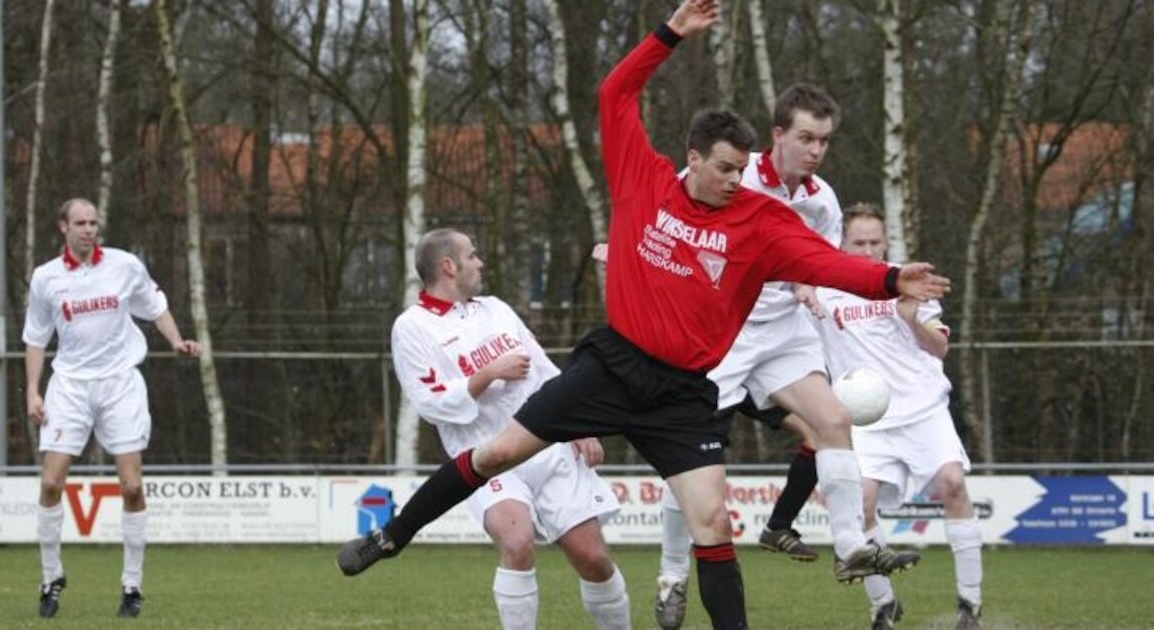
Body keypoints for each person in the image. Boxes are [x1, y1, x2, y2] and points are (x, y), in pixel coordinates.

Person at [336, 3, 950, 628]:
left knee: (713, 523)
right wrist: (669, 34)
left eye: (742, 170)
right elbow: (615, 93)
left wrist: (889, 278)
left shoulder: (761, 222)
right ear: (692, 158)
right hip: (612, 367)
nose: (735, 181)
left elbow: (825, 263)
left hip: (682, 394)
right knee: (496, 455)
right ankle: (391, 535)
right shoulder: (643, 177)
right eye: (723, 168)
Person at [652, 83, 916, 630]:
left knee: (833, 421)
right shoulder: (734, 173)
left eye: (824, 140)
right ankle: (671, 575)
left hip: (783, 331)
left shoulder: (822, 200)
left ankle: (851, 546)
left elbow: (817, 260)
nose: (816, 150)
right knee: (691, 461)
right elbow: (668, 209)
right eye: (805, 138)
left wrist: (805, 282)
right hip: (722, 329)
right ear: (777, 135)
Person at [390, 227, 630, 630]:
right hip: (486, 457)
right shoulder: (412, 327)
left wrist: (580, 425)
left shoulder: (497, 309)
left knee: (592, 557)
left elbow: (546, 372)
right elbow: (429, 403)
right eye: (472, 255)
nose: (480, 263)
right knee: (517, 544)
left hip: (546, 444)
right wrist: (486, 375)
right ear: (448, 266)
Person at [23, 198, 201, 619]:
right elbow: (35, 338)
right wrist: (32, 391)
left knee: (132, 487)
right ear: (63, 226)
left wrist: (176, 341)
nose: (89, 229)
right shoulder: (46, 278)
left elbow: (156, 306)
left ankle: (132, 585)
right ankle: (51, 577)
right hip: (70, 386)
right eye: (80, 223)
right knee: (50, 483)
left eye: (93, 223)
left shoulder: (125, 266)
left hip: (121, 384)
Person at [812, 203, 983, 630]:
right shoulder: (823, 290)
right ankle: (883, 606)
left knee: (953, 484)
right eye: (859, 243)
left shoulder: (907, 281)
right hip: (866, 420)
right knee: (861, 505)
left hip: (923, 408)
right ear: (841, 243)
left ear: (886, 241)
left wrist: (911, 320)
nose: (868, 250)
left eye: (875, 242)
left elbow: (940, 348)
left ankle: (970, 605)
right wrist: (800, 288)